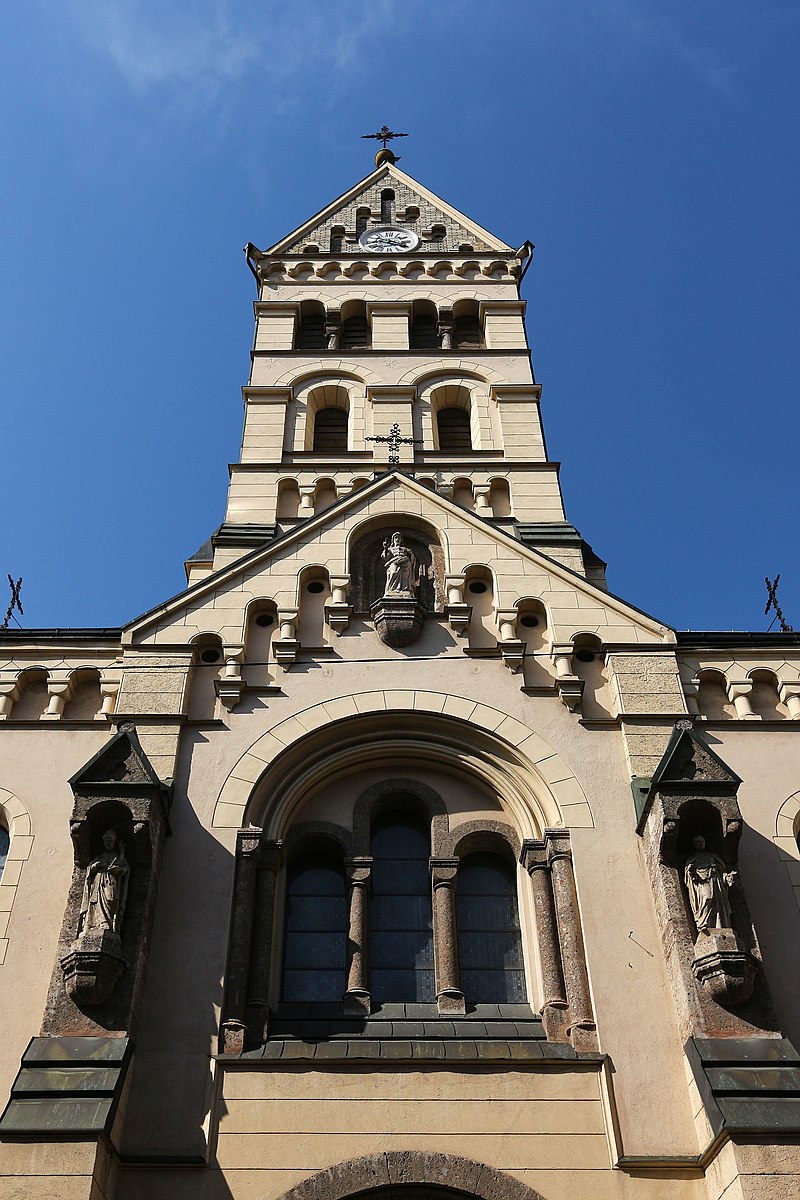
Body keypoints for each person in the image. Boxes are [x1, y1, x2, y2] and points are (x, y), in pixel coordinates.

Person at [78, 829, 129, 938]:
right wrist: (96, 865)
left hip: (111, 882)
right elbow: (90, 869)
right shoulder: (100, 856)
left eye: (110, 842)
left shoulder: (118, 856)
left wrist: (118, 870)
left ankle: (108, 924)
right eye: (106, 842)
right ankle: (93, 924)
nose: (108, 844)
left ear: (113, 843)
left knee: (110, 902)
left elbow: (125, 868)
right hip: (98, 881)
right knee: (95, 903)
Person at [684, 834, 736, 934]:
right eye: (698, 842)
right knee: (707, 898)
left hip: (715, 882)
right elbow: (689, 878)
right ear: (694, 844)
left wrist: (727, 877)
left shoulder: (713, 857)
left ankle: (720, 926)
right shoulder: (692, 859)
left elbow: (722, 871)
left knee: (719, 904)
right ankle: (703, 922)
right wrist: (690, 872)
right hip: (702, 883)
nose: (701, 844)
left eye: (702, 842)